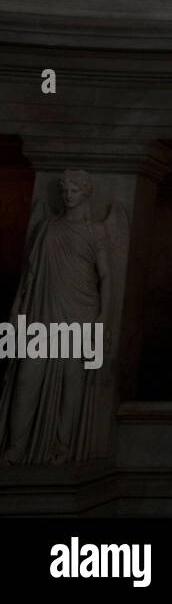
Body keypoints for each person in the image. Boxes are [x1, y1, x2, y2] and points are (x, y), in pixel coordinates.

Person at [0, 170, 110, 465]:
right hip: (42, 308)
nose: (68, 195)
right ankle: (16, 447)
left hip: (80, 309)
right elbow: (30, 274)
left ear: (86, 192)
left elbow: (106, 276)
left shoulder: (95, 229)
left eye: (74, 190)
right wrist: (15, 310)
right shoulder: (48, 227)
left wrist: (103, 315)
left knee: (71, 378)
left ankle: (62, 444)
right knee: (27, 376)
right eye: (65, 190)